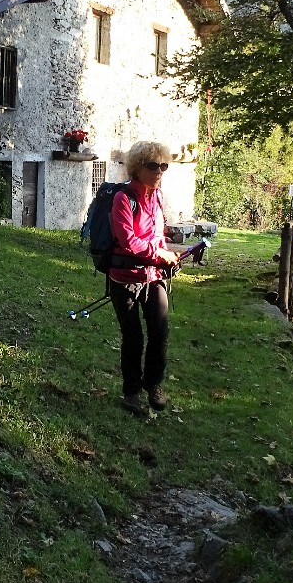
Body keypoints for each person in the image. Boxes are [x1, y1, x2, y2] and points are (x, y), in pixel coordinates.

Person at [108, 140, 183, 417]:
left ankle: (153, 386)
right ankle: (131, 393)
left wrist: (167, 254)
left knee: (160, 332)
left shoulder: (157, 197)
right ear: (137, 168)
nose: (159, 171)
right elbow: (128, 242)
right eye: (153, 166)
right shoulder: (123, 199)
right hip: (124, 279)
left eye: (163, 166)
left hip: (153, 277)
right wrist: (160, 255)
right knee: (133, 337)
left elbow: (157, 236)